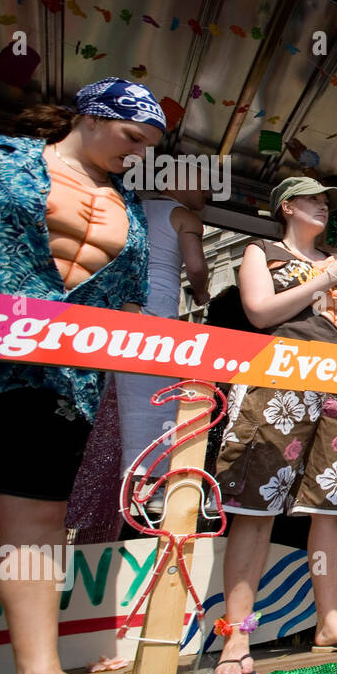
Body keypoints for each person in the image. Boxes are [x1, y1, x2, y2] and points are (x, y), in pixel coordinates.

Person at [0, 78, 166, 674]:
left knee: (37, 521)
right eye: (132, 137)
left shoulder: (130, 207)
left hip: (58, 380)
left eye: (150, 147)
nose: (138, 154)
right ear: (87, 115)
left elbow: (129, 303)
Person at [212, 176, 337, 674]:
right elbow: (260, 312)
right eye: (312, 200)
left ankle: (329, 621)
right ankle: (235, 636)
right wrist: (330, 277)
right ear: (286, 206)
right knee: (255, 506)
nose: (324, 208)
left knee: (330, 508)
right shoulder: (261, 251)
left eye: (328, 203)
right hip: (279, 381)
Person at [116, 180, 209, 482]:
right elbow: (195, 266)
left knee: (122, 390)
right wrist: (202, 293)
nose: (207, 195)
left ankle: (121, 476)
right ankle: (150, 480)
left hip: (122, 304)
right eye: (202, 185)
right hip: (158, 304)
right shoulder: (184, 215)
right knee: (156, 392)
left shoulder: (132, 209)